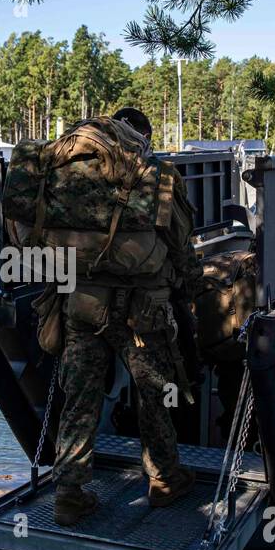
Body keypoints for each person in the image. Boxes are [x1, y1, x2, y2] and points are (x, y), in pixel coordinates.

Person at [49, 107, 204, 526]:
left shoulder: (74, 173)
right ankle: (164, 479)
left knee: (80, 396)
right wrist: (190, 291)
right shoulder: (157, 173)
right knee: (154, 395)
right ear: (143, 138)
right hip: (143, 311)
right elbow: (180, 245)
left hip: (82, 303)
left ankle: (68, 491)